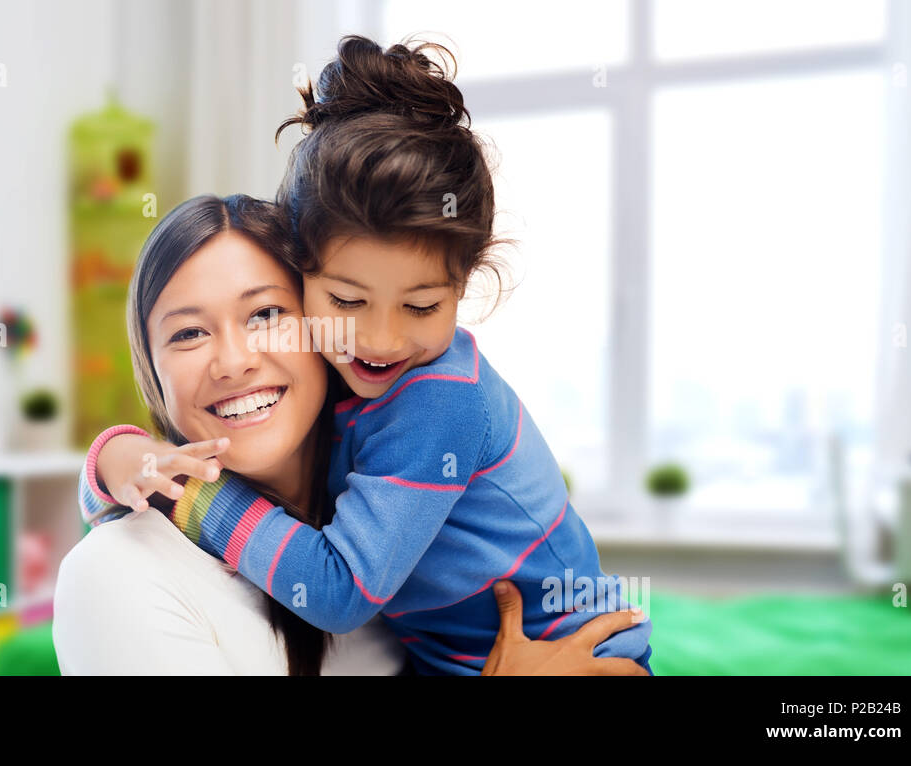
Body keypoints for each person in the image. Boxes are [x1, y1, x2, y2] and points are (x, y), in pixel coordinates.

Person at [83, 36, 653, 675]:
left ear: (463, 287)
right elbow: (116, 501)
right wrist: (118, 459)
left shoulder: (437, 397)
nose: (380, 342)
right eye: (348, 301)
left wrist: (187, 494)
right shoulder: (335, 377)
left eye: (421, 307)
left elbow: (339, 591)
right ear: (303, 269)